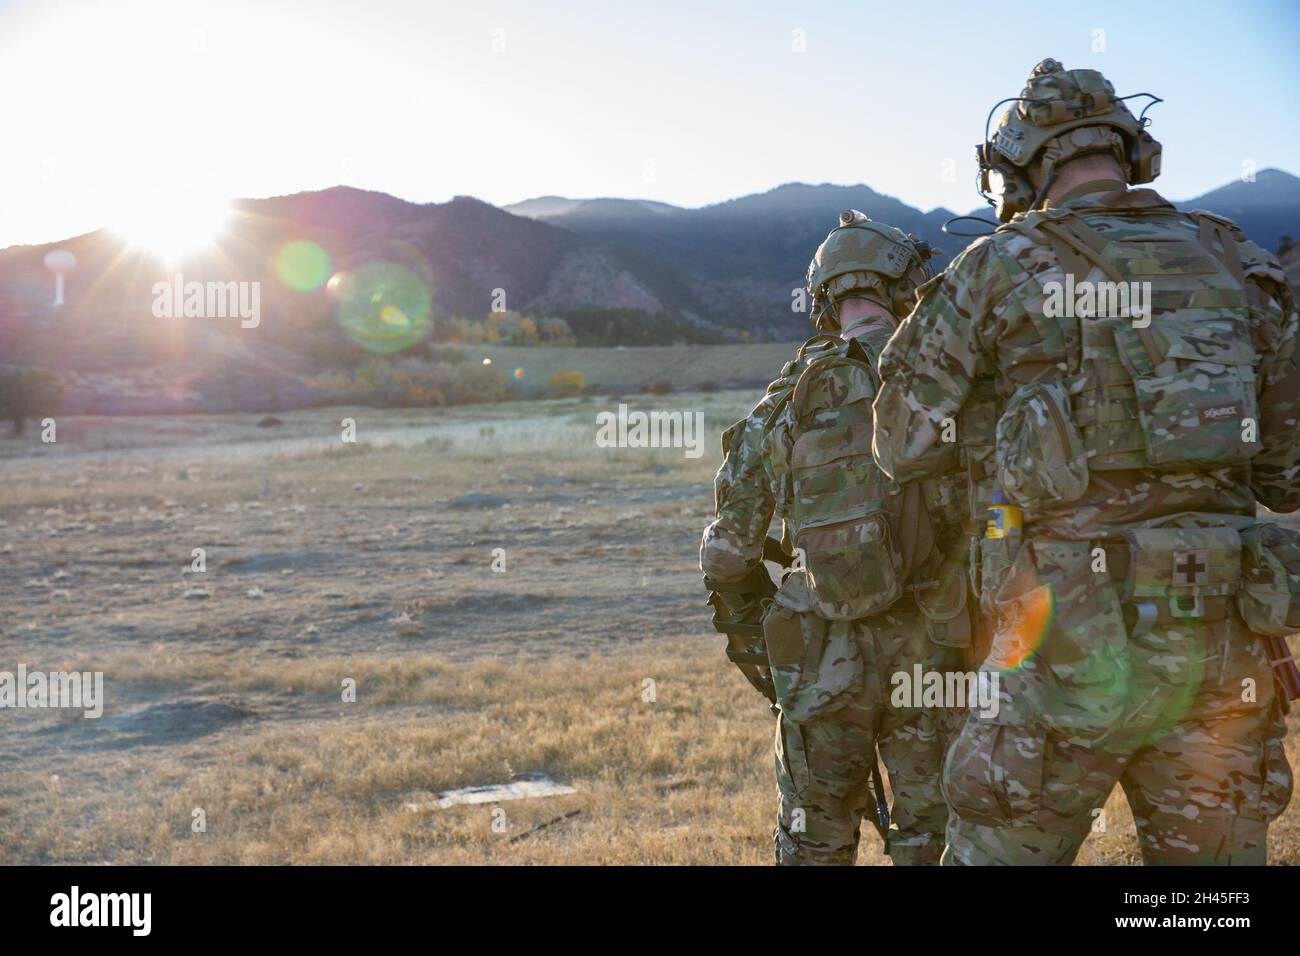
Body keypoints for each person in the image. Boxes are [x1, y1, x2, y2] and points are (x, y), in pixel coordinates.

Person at [872, 58, 1299, 865]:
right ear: (1133, 151)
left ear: (1020, 166)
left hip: (1058, 648)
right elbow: (1286, 474)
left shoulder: (997, 266)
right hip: (1219, 650)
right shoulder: (1236, 260)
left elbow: (900, 444)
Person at [701, 212, 967, 864]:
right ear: (905, 284)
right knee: (934, 841)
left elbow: (728, 552)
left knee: (813, 839)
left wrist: (766, 646)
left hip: (821, 661)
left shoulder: (789, 400)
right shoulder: (950, 384)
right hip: (937, 658)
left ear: (824, 299)